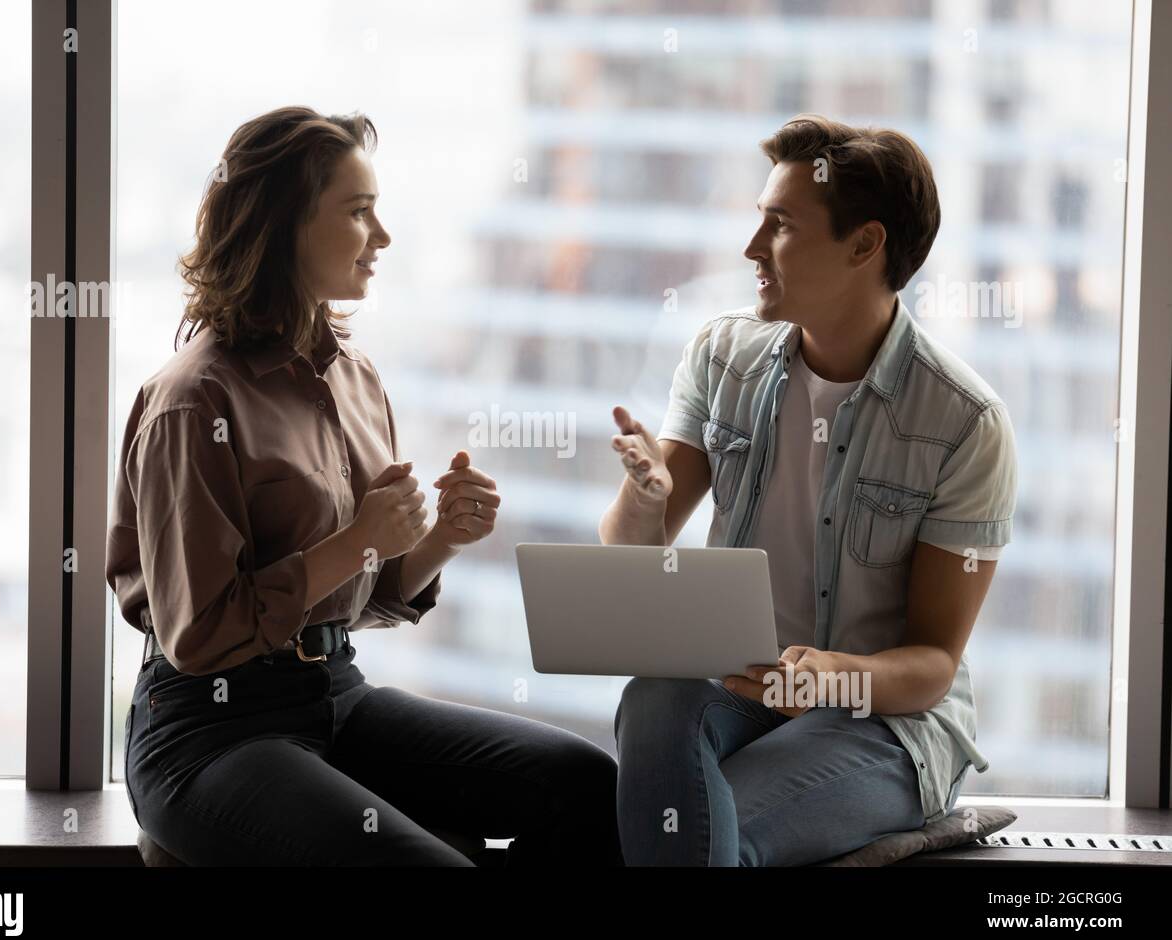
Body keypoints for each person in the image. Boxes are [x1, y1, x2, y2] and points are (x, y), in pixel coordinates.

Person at [106, 106, 622, 866]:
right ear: (283, 225)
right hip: (210, 732)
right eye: (358, 213)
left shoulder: (353, 377)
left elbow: (366, 592)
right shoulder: (195, 403)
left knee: (586, 784)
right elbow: (203, 635)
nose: (381, 237)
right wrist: (358, 540)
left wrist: (438, 537)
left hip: (335, 696)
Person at [600, 114, 1017, 866]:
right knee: (655, 695)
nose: (751, 248)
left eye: (780, 226)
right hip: (734, 687)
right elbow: (629, 555)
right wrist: (649, 498)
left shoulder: (963, 422)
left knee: (692, 840)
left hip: (881, 720)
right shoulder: (722, 355)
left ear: (865, 244)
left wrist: (833, 678)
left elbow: (932, 663)